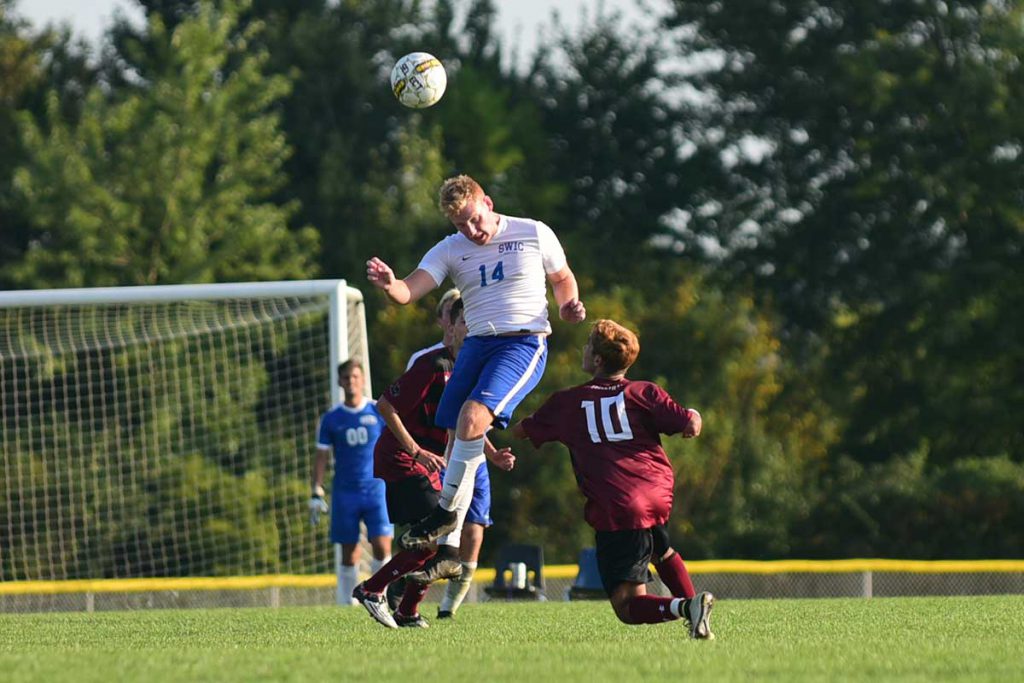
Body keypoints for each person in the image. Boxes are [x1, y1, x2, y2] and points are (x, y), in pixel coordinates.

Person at [366, 174, 586, 553]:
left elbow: (563, 278)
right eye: (459, 225)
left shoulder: (532, 232)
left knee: (471, 418)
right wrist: (391, 285)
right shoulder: (451, 248)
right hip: (477, 345)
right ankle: (449, 549)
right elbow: (409, 290)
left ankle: (447, 515)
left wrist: (568, 306)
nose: (470, 230)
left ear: (487, 201)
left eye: (473, 219)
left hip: (522, 340)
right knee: (453, 429)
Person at [511, 319, 715, 639]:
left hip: (618, 504)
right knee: (660, 549)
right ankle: (698, 616)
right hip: (656, 491)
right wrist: (695, 415)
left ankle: (687, 608)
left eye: (588, 344)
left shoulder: (568, 402)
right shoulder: (645, 392)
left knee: (626, 606)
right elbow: (690, 427)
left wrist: (495, 415)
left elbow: (522, 431)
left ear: (597, 360)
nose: (583, 348)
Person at [352, 297, 514, 629]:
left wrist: (492, 453)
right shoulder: (432, 365)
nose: (472, 330)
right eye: (466, 322)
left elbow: (468, 420)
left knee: (441, 543)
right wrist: (415, 451)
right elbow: (385, 405)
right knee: (431, 537)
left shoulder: (474, 371)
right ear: (451, 327)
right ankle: (372, 589)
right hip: (402, 458)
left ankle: (408, 611)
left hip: (433, 465)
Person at [404, 288, 494, 619]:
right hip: (437, 457)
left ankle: (449, 607)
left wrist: (494, 453)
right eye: (457, 315)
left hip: (475, 456)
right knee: (436, 531)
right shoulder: (427, 360)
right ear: (447, 320)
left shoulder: (486, 359)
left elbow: (477, 419)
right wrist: (415, 451)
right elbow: (404, 409)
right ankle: (407, 598)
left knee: (474, 527)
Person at [309, 360, 393, 606]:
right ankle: (347, 603)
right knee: (349, 552)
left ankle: (381, 598)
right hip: (346, 492)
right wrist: (316, 489)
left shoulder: (378, 411)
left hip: (377, 489)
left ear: (363, 379)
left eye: (355, 377)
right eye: (346, 378)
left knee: (381, 546)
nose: (351, 382)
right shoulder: (331, 419)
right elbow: (321, 456)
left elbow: (395, 443)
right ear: (340, 382)